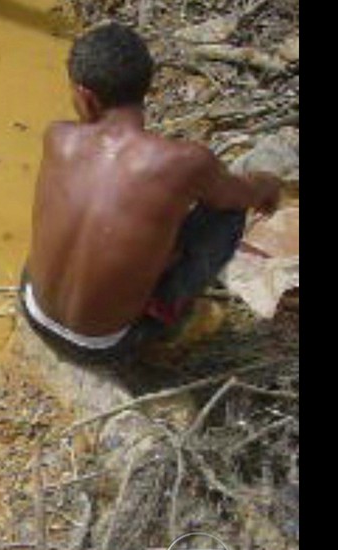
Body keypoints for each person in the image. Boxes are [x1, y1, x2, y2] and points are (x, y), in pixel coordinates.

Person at [21, 22, 282, 365]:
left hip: (34, 313)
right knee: (228, 213)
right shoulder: (185, 161)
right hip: (104, 346)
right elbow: (242, 194)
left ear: (86, 96)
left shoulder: (57, 137)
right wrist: (269, 186)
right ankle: (171, 315)